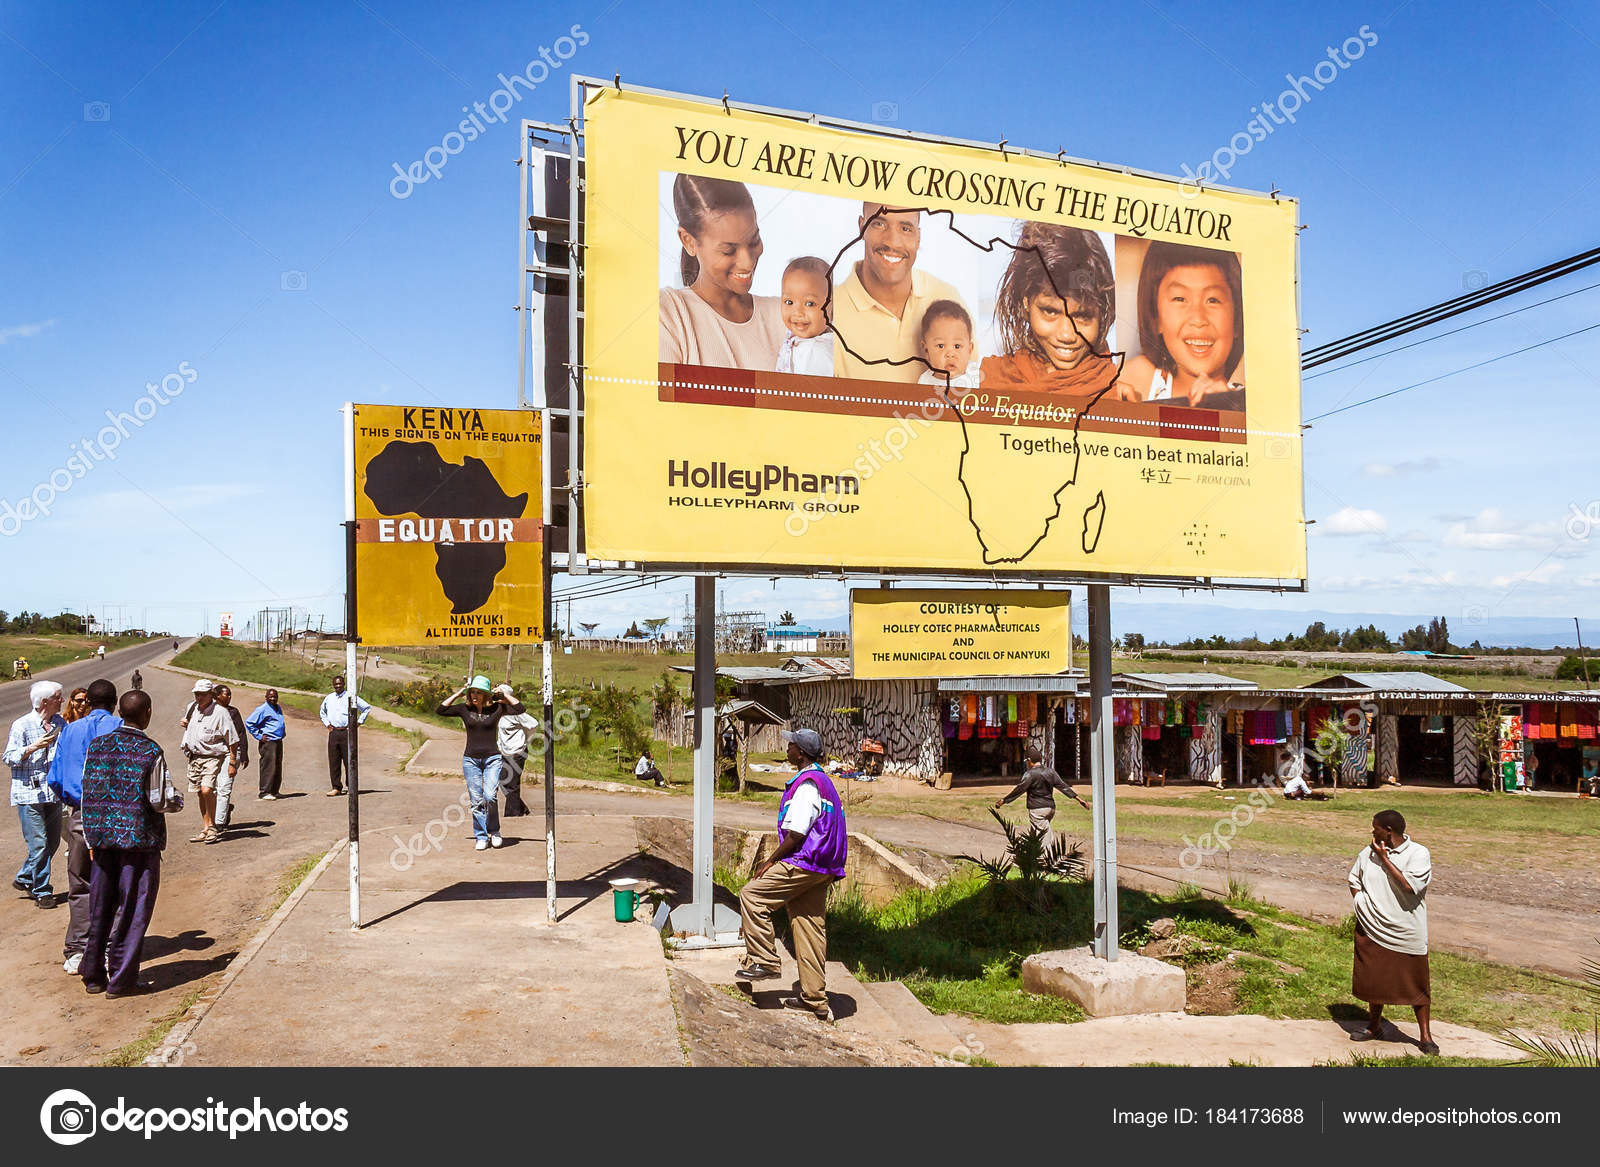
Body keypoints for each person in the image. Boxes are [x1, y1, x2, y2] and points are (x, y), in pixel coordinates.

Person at [735, 727, 848, 1020]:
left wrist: (771, 860)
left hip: (805, 861)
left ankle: (765, 960)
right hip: (824, 867)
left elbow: (797, 833)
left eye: (791, 745)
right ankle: (815, 1000)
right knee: (808, 925)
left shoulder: (808, 784)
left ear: (802, 753)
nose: (787, 748)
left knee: (752, 895)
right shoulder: (824, 782)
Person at [80, 689, 180, 998]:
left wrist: (90, 837)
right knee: (133, 911)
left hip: (101, 842)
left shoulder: (97, 746)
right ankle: (121, 979)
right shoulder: (150, 750)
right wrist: (177, 801)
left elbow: (87, 795)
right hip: (138, 844)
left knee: (100, 908)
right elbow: (159, 799)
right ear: (147, 712)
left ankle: (93, 975)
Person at [659, 174, 786, 368]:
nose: (747, 262)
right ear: (688, 241)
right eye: (728, 251)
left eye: (754, 241)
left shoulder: (789, 317)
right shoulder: (669, 315)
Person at [980, 221, 1120, 395]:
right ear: (1026, 303)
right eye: (1050, 311)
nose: (1067, 335)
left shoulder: (1118, 390)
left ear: (1101, 312)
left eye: (1083, 315)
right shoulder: (989, 379)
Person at [832, 204, 965, 384]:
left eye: (905, 228)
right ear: (862, 227)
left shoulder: (947, 297)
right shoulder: (828, 314)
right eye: (879, 224)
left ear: (918, 237)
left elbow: (971, 394)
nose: (892, 242)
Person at [1348, 809, 1437, 1055]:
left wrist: (1384, 858)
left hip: (1406, 930)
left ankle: (1425, 1037)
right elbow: (1354, 880)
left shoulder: (1418, 853)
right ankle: (1374, 1025)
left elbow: (1409, 886)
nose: (1371, 831)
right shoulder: (1367, 853)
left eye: (1375, 827)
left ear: (1388, 831)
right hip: (1374, 927)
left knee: (1416, 983)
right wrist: (1364, 906)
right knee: (1375, 980)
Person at [47, 678, 121, 974]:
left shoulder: (70, 731)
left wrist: (75, 799)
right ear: (114, 703)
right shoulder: (120, 728)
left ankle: (78, 949)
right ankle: (108, 947)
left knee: (80, 884)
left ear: (87, 702)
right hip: (116, 816)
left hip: (81, 814)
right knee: (115, 882)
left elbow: (55, 778)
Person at [1119, 241, 1245, 409]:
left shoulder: (1250, 404)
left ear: (1236, 320)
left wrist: (1229, 407)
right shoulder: (1138, 381)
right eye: (1180, 299)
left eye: (1213, 300)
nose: (1198, 319)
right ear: (1156, 317)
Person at [436, 676, 527, 850]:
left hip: (492, 758)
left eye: (479, 692)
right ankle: (481, 836)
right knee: (476, 800)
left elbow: (520, 708)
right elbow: (440, 710)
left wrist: (503, 695)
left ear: (486, 694)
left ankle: (495, 831)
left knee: (490, 796)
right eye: (473, 692)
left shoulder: (497, 709)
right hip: (470, 760)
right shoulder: (464, 709)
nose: (475, 695)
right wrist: (458, 693)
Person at [6, 680, 66, 907]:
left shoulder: (60, 723)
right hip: (29, 795)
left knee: (52, 843)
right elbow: (8, 757)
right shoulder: (22, 725)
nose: (62, 700)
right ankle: (41, 890)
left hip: (52, 793)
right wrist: (33, 747)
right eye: (58, 697)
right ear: (45, 701)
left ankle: (23, 876)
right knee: (39, 844)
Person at [179, 679, 238, 844]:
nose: (199, 697)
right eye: (196, 694)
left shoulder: (220, 712)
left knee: (207, 790)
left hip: (212, 757)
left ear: (211, 695)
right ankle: (206, 827)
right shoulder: (193, 708)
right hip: (194, 757)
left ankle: (213, 827)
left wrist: (232, 762)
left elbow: (233, 739)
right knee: (199, 792)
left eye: (202, 694)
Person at [994, 744, 1089, 841]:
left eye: (1027, 761)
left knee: (1045, 836)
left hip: (1037, 810)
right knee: (1036, 835)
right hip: (1050, 809)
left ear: (1029, 761)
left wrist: (1004, 800)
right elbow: (1063, 786)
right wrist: (1080, 800)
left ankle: (1051, 855)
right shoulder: (1051, 772)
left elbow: (1019, 789)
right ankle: (1033, 854)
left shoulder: (1029, 774)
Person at [775, 256, 837, 376]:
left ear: (832, 305)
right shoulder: (798, 339)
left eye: (810, 304)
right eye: (789, 302)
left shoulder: (818, 351)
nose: (797, 312)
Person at [319, 675, 370, 796]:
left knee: (349, 760)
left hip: (347, 732)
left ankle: (351, 787)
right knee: (334, 761)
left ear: (344, 684)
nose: (338, 686)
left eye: (340, 684)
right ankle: (336, 787)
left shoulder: (350, 697)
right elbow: (322, 712)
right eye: (335, 684)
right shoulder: (329, 698)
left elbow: (366, 708)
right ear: (333, 685)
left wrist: (357, 723)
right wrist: (328, 725)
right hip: (334, 732)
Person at [915, 299, 983, 390]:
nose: (950, 354)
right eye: (941, 346)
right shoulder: (925, 381)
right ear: (926, 350)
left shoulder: (976, 376)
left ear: (969, 350)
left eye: (957, 346)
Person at [211, 685, 249, 829]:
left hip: (232, 753)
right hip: (214, 753)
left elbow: (241, 733)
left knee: (224, 788)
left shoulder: (233, 712)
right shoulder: (210, 712)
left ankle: (218, 823)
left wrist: (244, 753)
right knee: (211, 789)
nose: (229, 697)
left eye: (230, 694)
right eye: (226, 694)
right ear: (217, 696)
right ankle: (224, 811)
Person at [495, 700, 540, 818]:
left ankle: (512, 815)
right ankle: (520, 807)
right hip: (504, 752)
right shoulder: (499, 712)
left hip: (517, 752)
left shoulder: (516, 713)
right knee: (502, 781)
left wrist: (527, 740)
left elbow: (533, 724)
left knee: (513, 784)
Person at [245, 689, 287, 800]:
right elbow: (249, 723)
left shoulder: (277, 708)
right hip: (268, 742)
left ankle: (274, 790)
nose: (273, 698)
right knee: (268, 766)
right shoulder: (262, 709)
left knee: (277, 766)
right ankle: (265, 792)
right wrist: (259, 735)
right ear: (266, 697)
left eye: (275, 696)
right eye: (270, 696)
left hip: (278, 740)